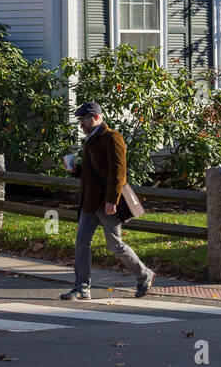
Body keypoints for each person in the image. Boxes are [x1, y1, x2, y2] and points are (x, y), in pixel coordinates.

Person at [61, 102, 155, 302]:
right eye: (80, 120)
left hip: (106, 203)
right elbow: (91, 173)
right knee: (81, 243)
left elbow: (118, 173)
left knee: (115, 245)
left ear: (94, 117)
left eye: (83, 119)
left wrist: (112, 200)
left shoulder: (112, 138)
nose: (81, 124)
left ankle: (144, 274)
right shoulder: (91, 140)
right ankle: (82, 287)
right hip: (89, 203)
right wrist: (75, 170)